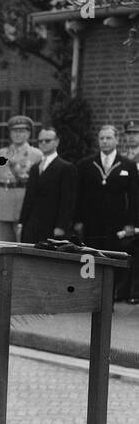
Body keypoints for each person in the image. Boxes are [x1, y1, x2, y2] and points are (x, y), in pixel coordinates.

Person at [74, 124, 138, 303]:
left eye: (108, 138)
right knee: (90, 255)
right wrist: (77, 220)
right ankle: (89, 292)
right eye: (101, 138)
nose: (105, 141)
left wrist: (131, 223)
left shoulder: (128, 165)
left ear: (116, 140)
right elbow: (78, 195)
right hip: (91, 221)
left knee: (112, 255)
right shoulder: (86, 164)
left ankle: (111, 294)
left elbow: (134, 197)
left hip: (117, 222)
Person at [0, 115, 42, 242]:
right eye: (14, 131)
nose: (17, 134)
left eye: (22, 131)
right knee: (3, 242)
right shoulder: (2, 153)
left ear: (28, 134)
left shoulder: (36, 154)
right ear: (10, 133)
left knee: (22, 241)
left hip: (22, 201)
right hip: (3, 201)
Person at [20, 127, 75, 243]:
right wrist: (22, 222)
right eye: (40, 141)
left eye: (47, 140)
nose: (43, 143)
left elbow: (67, 200)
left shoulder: (65, 167)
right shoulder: (35, 168)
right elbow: (29, 197)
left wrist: (61, 226)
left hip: (52, 225)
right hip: (32, 224)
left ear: (57, 142)